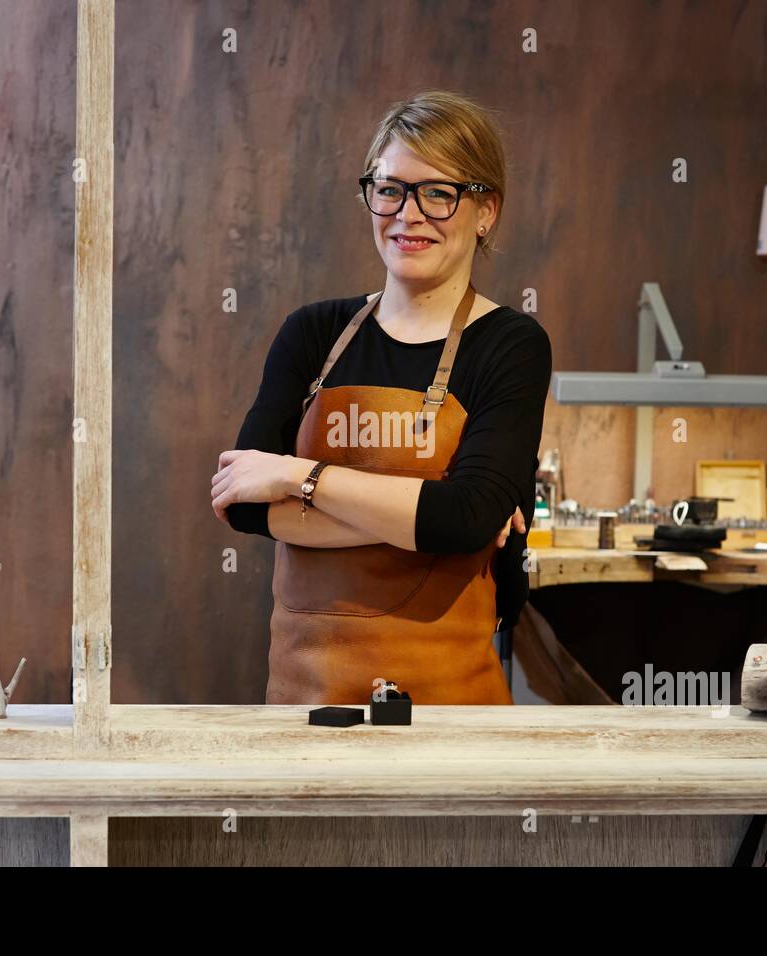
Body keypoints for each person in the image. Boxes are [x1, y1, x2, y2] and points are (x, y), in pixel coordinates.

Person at [211, 90, 551, 704]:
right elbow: (241, 504)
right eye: (390, 188)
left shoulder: (511, 344)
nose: (409, 214)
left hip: (451, 719)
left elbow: (466, 518)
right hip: (305, 707)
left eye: (439, 192)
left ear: (486, 211)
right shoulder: (312, 332)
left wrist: (295, 476)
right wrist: (423, 518)